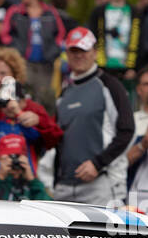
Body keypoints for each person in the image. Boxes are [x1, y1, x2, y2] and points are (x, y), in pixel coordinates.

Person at [0, 46, 62, 190]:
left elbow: (54, 138)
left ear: (15, 74)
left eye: (3, 73)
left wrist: (39, 121)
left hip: (23, 185)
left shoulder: (30, 107)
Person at [53, 27, 134, 204]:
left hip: (100, 185)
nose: (78, 55)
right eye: (73, 51)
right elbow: (57, 140)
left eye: (83, 50)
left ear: (95, 53)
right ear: (67, 53)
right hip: (65, 187)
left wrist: (98, 164)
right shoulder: (64, 92)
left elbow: (127, 130)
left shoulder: (110, 86)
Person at [1, 0, 66, 108]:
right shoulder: (15, 11)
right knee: (22, 96)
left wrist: (53, 53)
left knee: (45, 97)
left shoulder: (50, 12)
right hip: (23, 62)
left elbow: (60, 34)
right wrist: (16, 51)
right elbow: (5, 34)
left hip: (46, 63)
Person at [88, 0, 139, 82]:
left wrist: (134, 68)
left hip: (127, 69)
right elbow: (92, 38)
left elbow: (140, 40)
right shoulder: (98, 12)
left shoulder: (135, 12)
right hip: (103, 67)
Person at [0, 134, 53, 201]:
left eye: (17, 156)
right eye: (10, 156)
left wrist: (32, 180)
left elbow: (47, 207)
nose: (14, 161)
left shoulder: (33, 186)